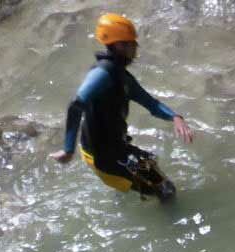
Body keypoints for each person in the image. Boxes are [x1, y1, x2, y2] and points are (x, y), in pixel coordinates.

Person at [50, 13, 194, 203]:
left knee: (151, 164)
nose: (135, 48)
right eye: (131, 44)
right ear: (119, 45)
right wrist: (68, 150)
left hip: (114, 147)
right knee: (167, 190)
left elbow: (151, 103)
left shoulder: (121, 76)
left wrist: (175, 117)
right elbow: (76, 105)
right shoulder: (103, 73)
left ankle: (122, 187)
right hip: (103, 157)